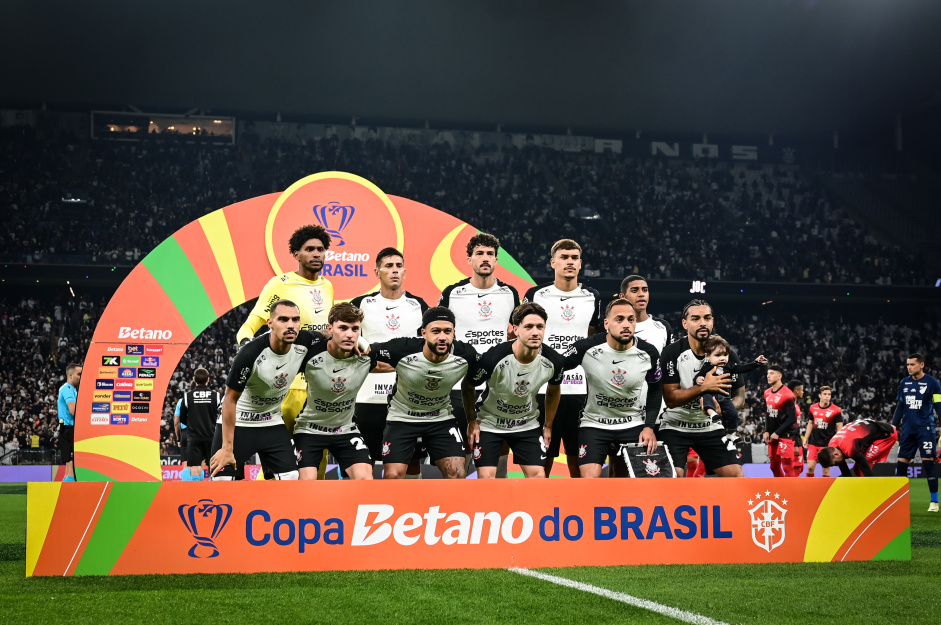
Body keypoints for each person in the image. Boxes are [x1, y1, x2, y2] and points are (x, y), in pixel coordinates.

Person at [235, 224, 334, 446]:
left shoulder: (327, 286)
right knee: (278, 455)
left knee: (317, 451)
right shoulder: (280, 284)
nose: (316, 254)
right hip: (290, 384)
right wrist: (247, 349)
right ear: (296, 254)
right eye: (309, 249)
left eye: (320, 249)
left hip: (322, 381)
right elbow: (249, 326)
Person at [209, 300, 325, 480]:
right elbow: (230, 400)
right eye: (283, 319)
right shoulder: (250, 353)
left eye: (295, 320)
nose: (290, 325)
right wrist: (226, 448)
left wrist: (363, 346)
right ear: (270, 323)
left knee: (292, 477)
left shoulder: (305, 340)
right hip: (240, 422)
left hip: (271, 421)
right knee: (221, 480)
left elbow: (330, 334)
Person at [438, 233, 520, 475]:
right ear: (469, 259)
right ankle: (459, 508)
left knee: (498, 457)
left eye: (490, 254)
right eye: (480, 254)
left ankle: (497, 507)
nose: (485, 259)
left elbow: (516, 335)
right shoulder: (452, 293)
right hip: (459, 383)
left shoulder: (510, 293)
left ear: (496, 260)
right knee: (460, 457)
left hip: (499, 384)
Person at [523, 239, 601, 477]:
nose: (570, 262)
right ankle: (540, 511)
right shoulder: (535, 294)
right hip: (542, 388)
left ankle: (579, 511)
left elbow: (590, 336)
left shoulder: (592, 297)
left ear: (580, 264)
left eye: (574, 258)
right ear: (553, 262)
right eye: (564, 257)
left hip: (579, 390)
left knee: (578, 462)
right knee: (541, 461)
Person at [372, 307, 478, 479]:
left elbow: (476, 379)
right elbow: (365, 352)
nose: (442, 337)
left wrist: (473, 421)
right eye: (435, 331)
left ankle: (447, 507)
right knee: (392, 477)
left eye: (447, 331)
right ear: (424, 333)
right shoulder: (403, 348)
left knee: (457, 475)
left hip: (440, 419)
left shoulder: (466, 354)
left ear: (454, 333)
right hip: (402, 418)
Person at [562, 299, 662, 478]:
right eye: (620, 319)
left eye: (631, 320)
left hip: (632, 425)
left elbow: (656, 390)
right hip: (594, 424)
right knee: (589, 481)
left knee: (625, 485)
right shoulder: (587, 347)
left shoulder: (649, 353)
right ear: (607, 323)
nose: (626, 325)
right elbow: (555, 366)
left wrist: (649, 427)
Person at [465, 303, 565, 479]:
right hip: (490, 423)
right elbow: (468, 384)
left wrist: (548, 426)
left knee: (538, 476)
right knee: (486, 478)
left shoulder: (554, 361)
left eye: (540, 327)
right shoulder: (493, 358)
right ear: (516, 329)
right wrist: (472, 421)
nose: (535, 332)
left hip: (526, 424)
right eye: (529, 327)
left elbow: (554, 390)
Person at [350, 248, 429, 471]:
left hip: (407, 399)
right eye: (388, 266)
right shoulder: (361, 304)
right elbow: (349, 348)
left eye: (398, 266)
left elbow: (425, 352)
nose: (394, 270)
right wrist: (376, 365)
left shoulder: (419, 306)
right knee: (361, 463)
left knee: (410, 464)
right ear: (377, 272)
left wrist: (389, 365)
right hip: (366, 398)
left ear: (404, 272)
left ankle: (408, 506)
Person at [660, 300, 744, 478]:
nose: (702, 323)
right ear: (685, 323)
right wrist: (703, 387)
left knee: (736, 476)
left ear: (713, 321)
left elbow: (739, 395)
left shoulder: (728, 354)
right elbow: (671, 399)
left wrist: (728, 406)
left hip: (710, 428)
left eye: (707, 318)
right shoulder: (671, 353)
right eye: (695, 318)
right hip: (675, 427)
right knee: (672, 477)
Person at [293, 303, 375, 480]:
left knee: (366, 480)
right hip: (309, 429)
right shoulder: (310, 353)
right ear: (330, 328)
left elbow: (401, 357)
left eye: (355, 329)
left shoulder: (365, 356)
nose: (349, 334)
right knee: (306, 483)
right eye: (343, 328)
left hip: (344, 430)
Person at [611, 274, 672, 477]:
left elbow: (668, 370)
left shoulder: (662, 328)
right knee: (619, 469)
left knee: (655, 470)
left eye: (644, 290)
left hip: (656, 412)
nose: (641, 294)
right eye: (635, 290)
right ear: (622, 296)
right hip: (621, 412)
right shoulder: (614, 329)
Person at [892, 354, 941, 511]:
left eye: (912, 364)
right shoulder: (904, 383)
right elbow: (900, 407)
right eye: (907, 365)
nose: (909, 367)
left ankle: (934, 502)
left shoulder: (933, 383)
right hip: (907, 430)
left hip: (925, 429)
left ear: (922, 365)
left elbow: (939, 407)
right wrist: (893, 427)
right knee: (901, 465)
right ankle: (898, 502)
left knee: (928, 463)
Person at [697, 334, 767, 434]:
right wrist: (698, 379)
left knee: (733, 414)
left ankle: (731, 434)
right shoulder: (707, 367)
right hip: (710, 394)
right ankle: (712, 414)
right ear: (708, 356)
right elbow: (698, 377)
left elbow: (743, 368)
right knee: (706, 398)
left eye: (725, 355)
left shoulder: (730, 366)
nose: (722, 358)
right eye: (718, 355)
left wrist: (756, 363)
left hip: (724, 397)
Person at [178, 367, 222, 481]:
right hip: (212, 436)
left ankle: (196, 495)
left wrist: (192, 424)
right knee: (213, 467)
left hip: (194, 437)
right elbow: (221, 415)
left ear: (194, 380)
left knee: (195, 467)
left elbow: (182, 418)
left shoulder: (187, 396)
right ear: (208, 380)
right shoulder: (216, 396)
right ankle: (214, 494)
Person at [817, 419, 899, 477]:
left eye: (834, 463)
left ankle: (869, 495)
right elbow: (845, 472)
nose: (837, 465)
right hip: (873, 432)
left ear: (835, 454)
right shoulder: (833, 446)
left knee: (861, 469)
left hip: (886, 434)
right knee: (857, 470)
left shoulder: (850, 447)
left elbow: (868, 473)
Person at [763, 365, 799, 478]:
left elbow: (792, 418)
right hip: (772, 435)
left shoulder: (787, 394)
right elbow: (768, 414)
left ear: (779, 376)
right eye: (768, 373)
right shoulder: (767, 393)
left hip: (785, 435)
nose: (768, 376)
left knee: (787, 467)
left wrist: (778, 432)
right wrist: (766, 431)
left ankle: (792, 493)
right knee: (773, 467)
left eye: (772, 373)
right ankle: (781, 490)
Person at [804, 385, 844, 477]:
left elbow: (839, 426)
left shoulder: (836, 410)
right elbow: (810, 423)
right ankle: (809, 489)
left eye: (829, 394)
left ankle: (825, 490)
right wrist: (806, 438)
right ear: (820, 395)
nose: (827, 396)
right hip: (813, 443)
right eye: (825, 394)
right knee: (810, 467)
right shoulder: (812, 408)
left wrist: (838, 442)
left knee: (825, 470)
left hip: (827, 444)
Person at [56, 363, 82, 482]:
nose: (81, 377)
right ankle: (70, 488)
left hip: (68, 428)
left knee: (69, 464)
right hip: (68, 429)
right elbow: (73, 411)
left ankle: (67, 485)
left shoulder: (73, 390)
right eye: (79, 374)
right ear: (70, 375)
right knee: (71, 464)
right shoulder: (67, 389)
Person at [787, 380, 806, 477]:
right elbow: (788, 426)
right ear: (797, 390)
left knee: (799, 468)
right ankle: (788, 491)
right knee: (795, 469)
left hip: (796, 440)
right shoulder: (790, 405)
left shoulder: (795, 405)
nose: (803, 392)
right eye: (802, 390)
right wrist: (794, 444)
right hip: (792, 442)